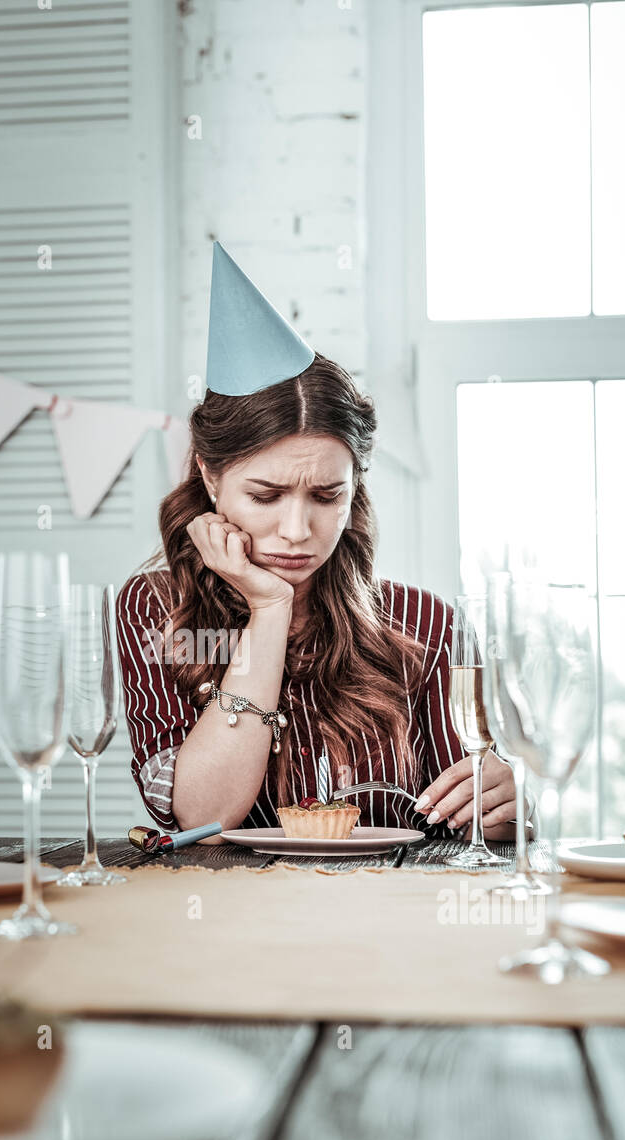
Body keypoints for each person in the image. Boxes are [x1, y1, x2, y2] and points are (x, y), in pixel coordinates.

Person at [117, 243, 528, 840]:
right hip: (228, 923)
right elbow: (202, 816)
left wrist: (508, 800)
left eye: (326, 497)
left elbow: (473, 823)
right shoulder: (157, 612)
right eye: (265, 496)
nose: (296, 531)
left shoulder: (428, 623)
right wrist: (269, 609)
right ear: (210, 477)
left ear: (355, 486)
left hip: (390, 920)